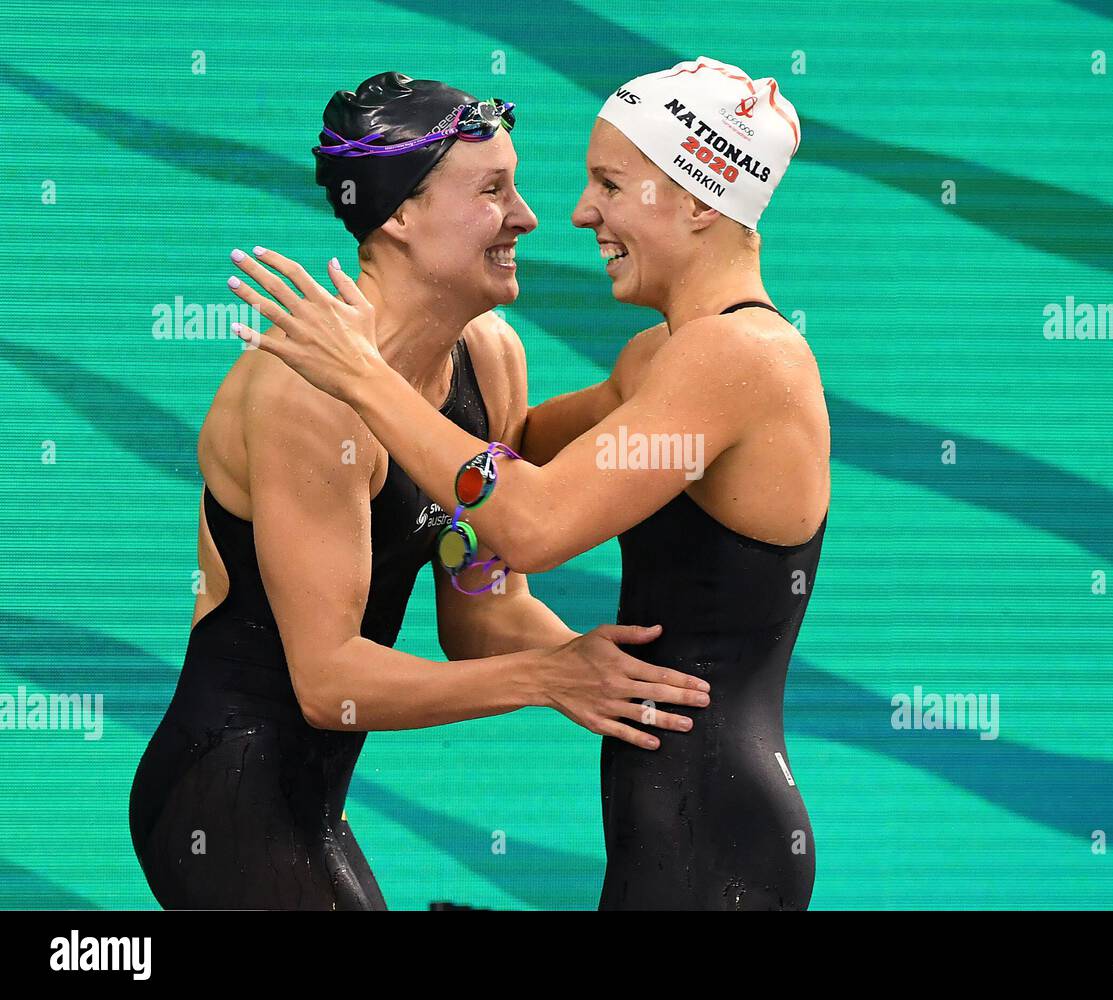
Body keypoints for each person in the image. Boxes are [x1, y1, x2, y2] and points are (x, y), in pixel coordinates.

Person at [228, 56, 829, 910]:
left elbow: (532, 521)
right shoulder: (664, 358)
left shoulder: (742, 359)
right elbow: (498, 459)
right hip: (673, 813)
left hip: (714, 831)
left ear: (697, 198)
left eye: (610, 185)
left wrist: (362, 377)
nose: (580, 213)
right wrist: (428, 354)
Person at [129, 72, 710, 911]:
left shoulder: (491, 358)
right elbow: (328, 684)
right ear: (399, 214)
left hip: (312, 802)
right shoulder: (304, 397)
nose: (529, 218)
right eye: (493, 191)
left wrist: (613, 677)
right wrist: (550, 678)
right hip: (219, 788)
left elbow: (479, 610)